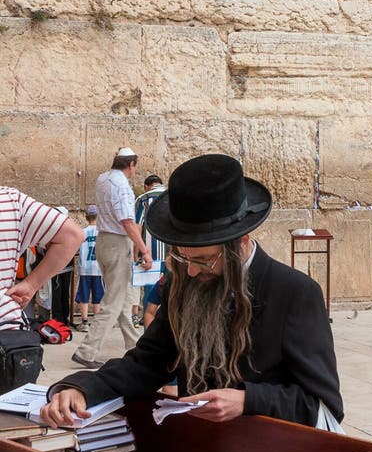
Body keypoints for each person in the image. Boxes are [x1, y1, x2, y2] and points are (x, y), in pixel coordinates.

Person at [40, 154, 343, 430]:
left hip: (272, 451)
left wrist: (249, 400)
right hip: (201, 445)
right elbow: (147, 363)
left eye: (203, 260)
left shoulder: (295, 293)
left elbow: (322, 405)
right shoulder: (183, 282)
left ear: (241, 242)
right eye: (184, 259)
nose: (192, 272)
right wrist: (83, 389)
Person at [71, 147, 152, 369]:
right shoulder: (122, 186)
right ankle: (86, 351)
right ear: (131, 165)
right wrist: (143, 249)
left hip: (104, 240)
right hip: (117, 242)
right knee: (113, 302)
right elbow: (128, 222)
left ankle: (135, 346)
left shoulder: (103, 179)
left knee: (121, 298)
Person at [0, 187, 82, 328]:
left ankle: (57, 320)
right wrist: (32, 284)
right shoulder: (11, 199)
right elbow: (72, 236)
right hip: (6, 325)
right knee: (56, 298)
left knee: (56, 298)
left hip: (30, 276)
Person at [133, 174, 167, 325]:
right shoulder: (173, 195)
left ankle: (150, 332)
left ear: (147, 186)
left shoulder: (144, 198)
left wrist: (136, 252)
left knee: (150, 298)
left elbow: (138, 226)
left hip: (151, 256)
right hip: (173, 254)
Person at [74, 205, 104, 333]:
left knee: (84, 296)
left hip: (85, 268)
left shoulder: (82, 232)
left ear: (86, 217)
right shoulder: (102, 232)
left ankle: (85, 322)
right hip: (99, 268)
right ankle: (96, 323)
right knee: (98, 297)